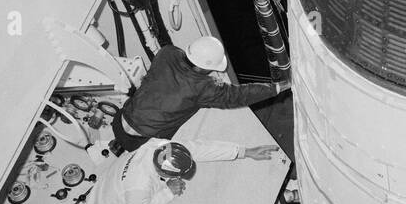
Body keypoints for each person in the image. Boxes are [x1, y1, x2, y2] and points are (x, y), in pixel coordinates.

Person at [111, 37, 290, 152]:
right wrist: (278, 87)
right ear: (204, 68)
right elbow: (239, 95)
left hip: (118, 121)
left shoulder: (167, 52)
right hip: (140, 142)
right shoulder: (203, 87)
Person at [90, 136, 276, 204]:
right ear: (163, 173)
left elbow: (199, 148)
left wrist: (245, 151)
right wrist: (166, 193)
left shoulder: (160, 147)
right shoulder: (139, 187)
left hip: (110, 181)